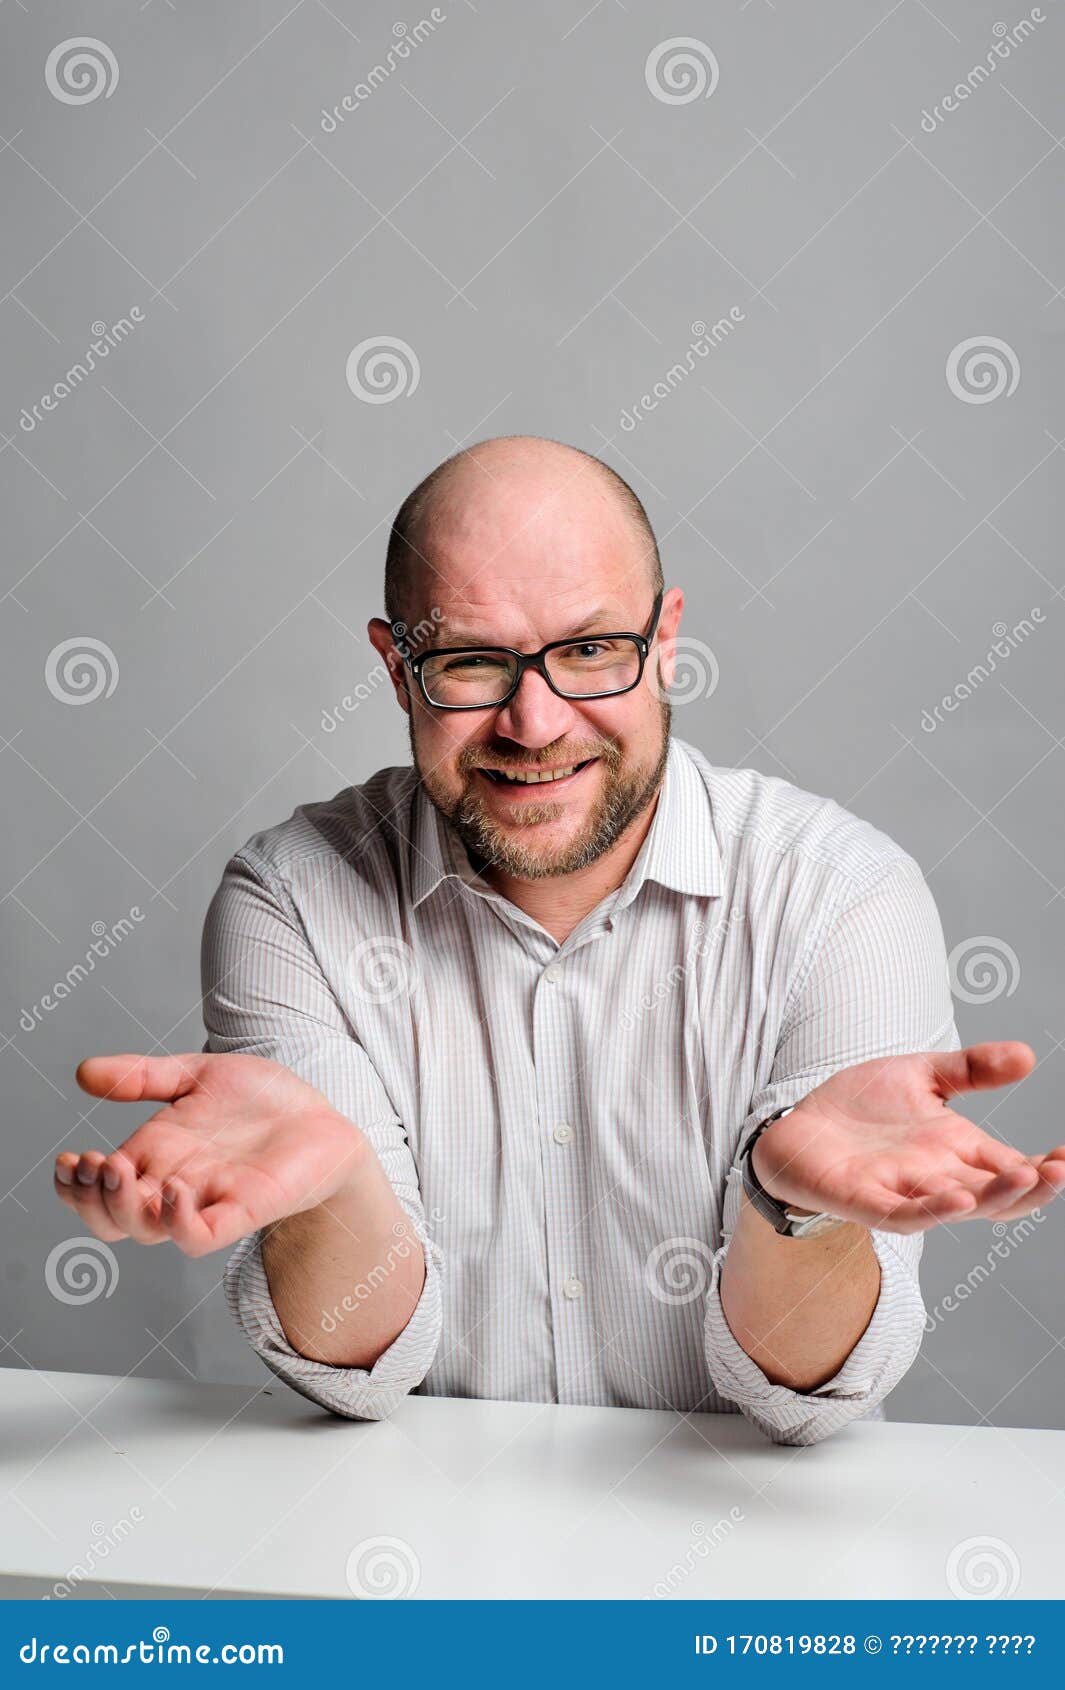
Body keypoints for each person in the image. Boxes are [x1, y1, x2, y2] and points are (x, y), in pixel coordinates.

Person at [54, 435, 1065, 1447]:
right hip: (411, 1567)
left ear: (666, 641)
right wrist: (331, 1192)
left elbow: (804, 1392)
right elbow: (354, 1361)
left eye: (588, 651)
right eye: (470, 662)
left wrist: (791, 1206)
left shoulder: (844, 896)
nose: (534, 723)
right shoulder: (293, 899)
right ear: (396, 669)